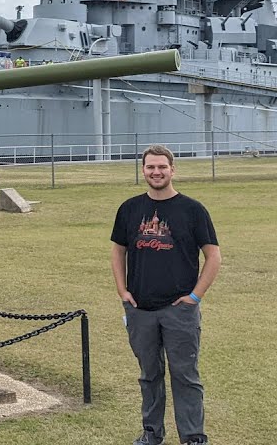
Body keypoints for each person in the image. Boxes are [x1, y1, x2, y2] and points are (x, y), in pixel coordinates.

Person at [111, 145, 221, 445]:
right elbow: (118, 251)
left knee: (185, 375)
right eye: (150, 167)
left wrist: (195, 298)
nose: (156, 172)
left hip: (179, 310)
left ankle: (193, 436)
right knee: (149, 375)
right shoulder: (129, 209)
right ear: (143, 170)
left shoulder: (192, 210)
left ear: (173, 170)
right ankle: (152, 433)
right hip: (140, 309)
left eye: (162, 167)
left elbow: (213, 256)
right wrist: (123, 291)